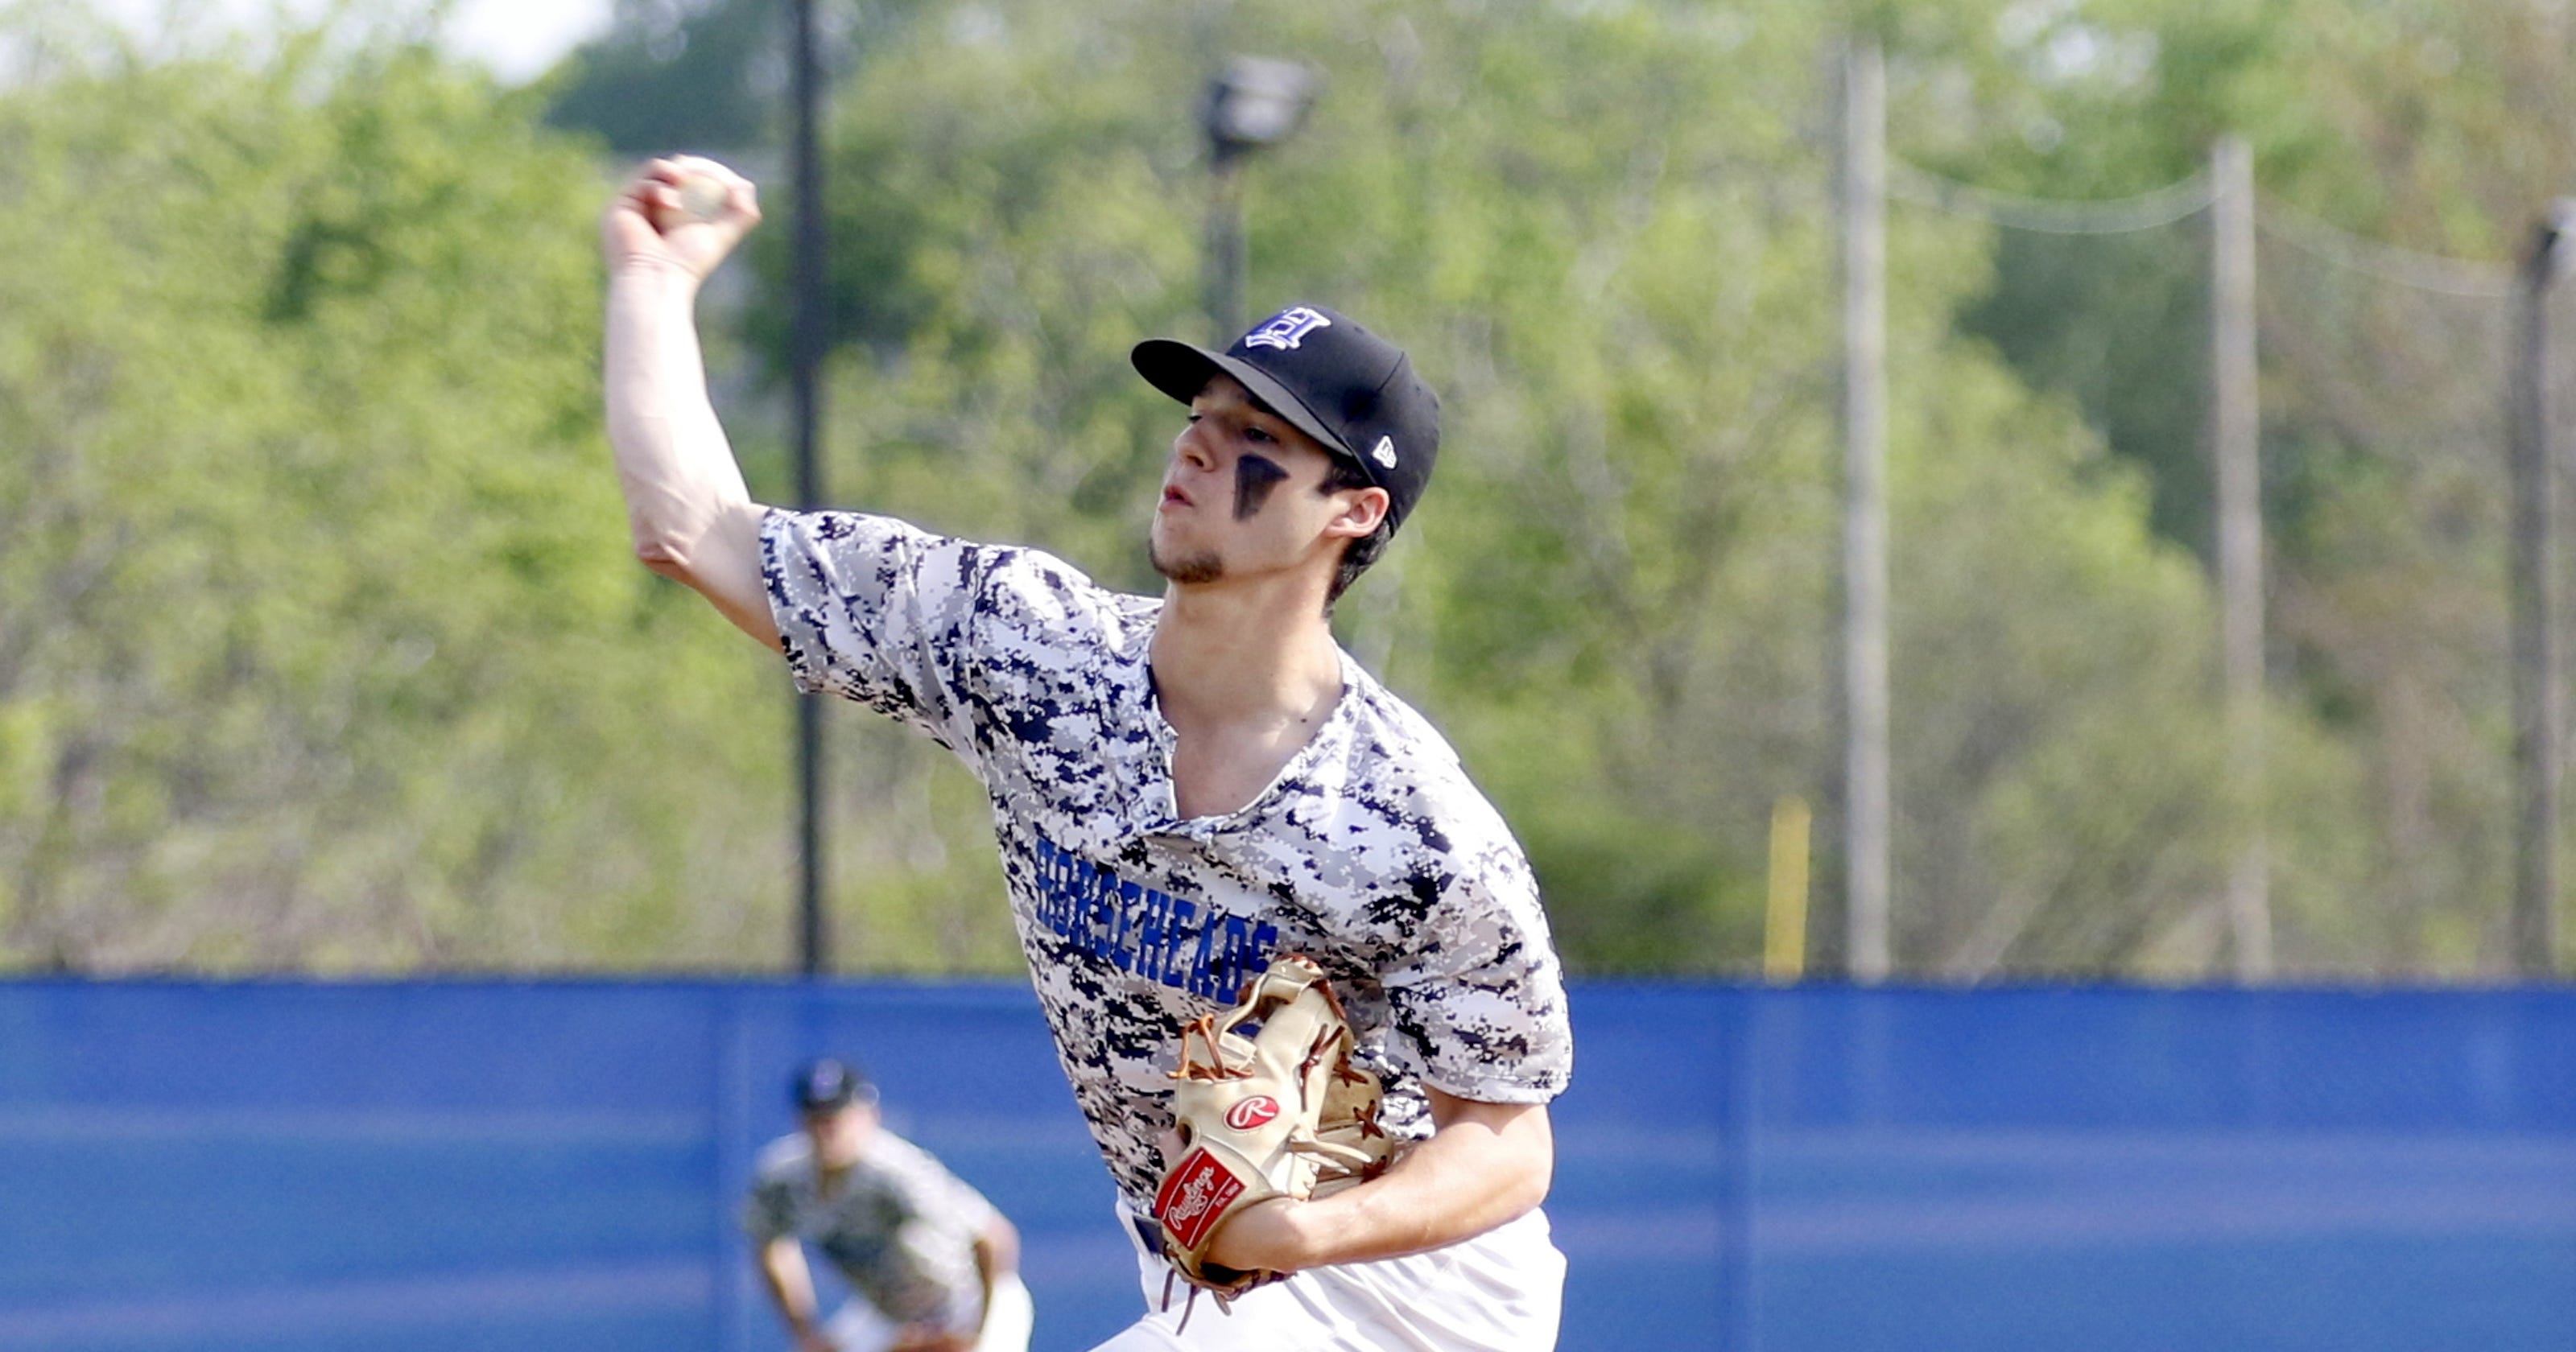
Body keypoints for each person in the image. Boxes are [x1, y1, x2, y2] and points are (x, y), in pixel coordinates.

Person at [604, 155, 1574, 1351]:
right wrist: (650, 285)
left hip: (1418, 1298)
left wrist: (1307, 1234)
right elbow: (696, 532)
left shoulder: (1412, 825)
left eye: (1258, 433)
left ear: (1352, 510)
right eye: (1201, 416)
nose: (1200, 449)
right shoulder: (1028, 650)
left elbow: (1510, 1134)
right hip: (1204, 1288)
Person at [745, 1057, 1034, 1352]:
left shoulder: (892, 1170)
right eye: (817, 1117)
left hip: (967, 1300)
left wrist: (975, 1336)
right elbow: (773, 1247)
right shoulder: (782, 1176)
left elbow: (993, 1239)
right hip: (887, 1312)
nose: (827, 1129)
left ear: (868, 1115)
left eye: (837, 1116)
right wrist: (806, 1333)